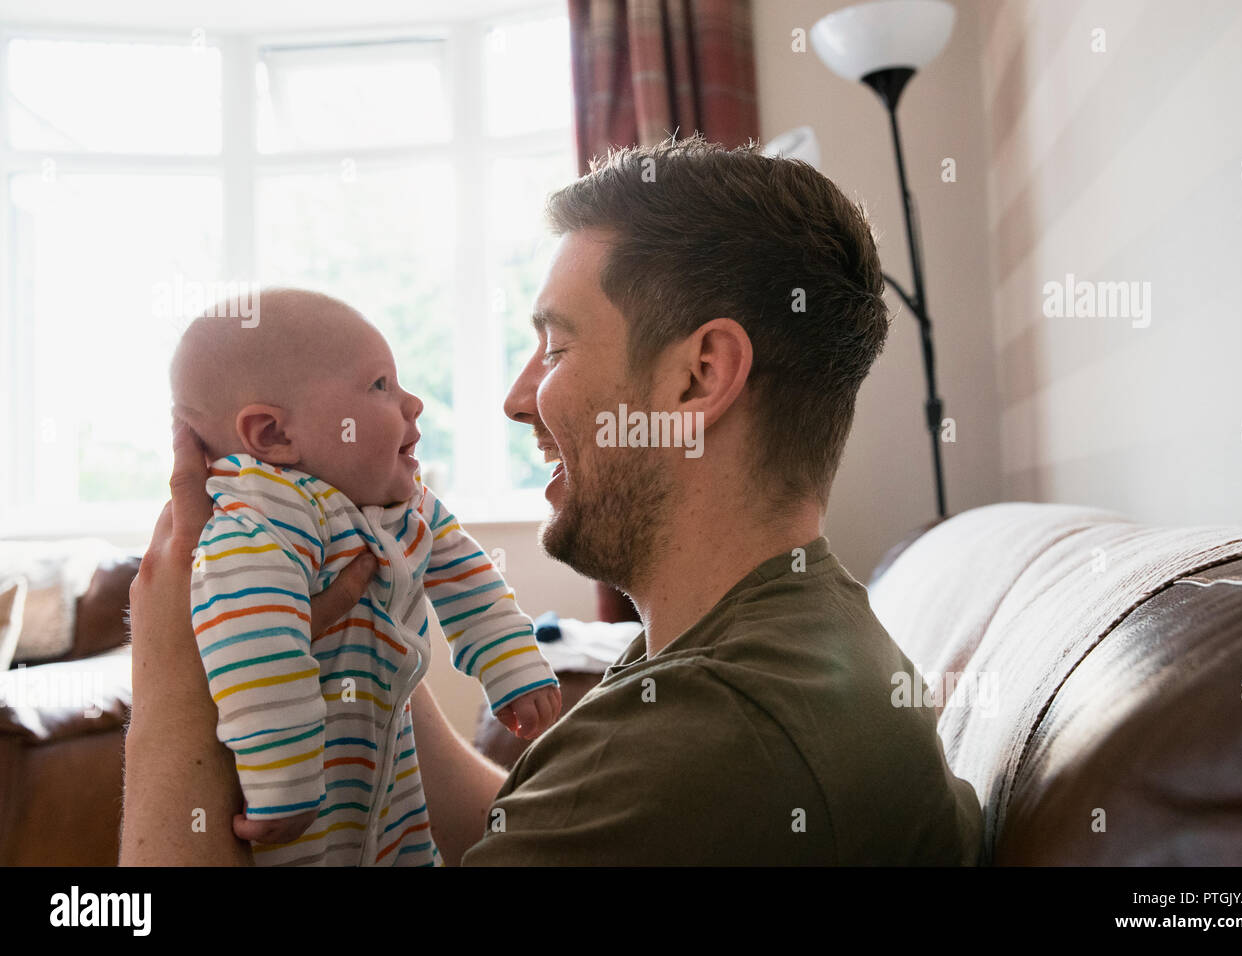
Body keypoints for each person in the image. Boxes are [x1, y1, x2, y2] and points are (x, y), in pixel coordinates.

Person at [124, 134, 984, 865]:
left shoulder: (715, 737)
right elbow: (529, 825)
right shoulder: (774, 634)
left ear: (700, 378)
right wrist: (368, 611)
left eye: (556, 347)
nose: (516, 396)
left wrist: (168, 672)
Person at [166, 290, 560, 864]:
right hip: (306, 819)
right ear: (274, 435)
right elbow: (256, 646)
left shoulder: (405, 509)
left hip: (395, 799)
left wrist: (514, 667)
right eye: (381, 386)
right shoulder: (260, 523)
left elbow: (470, 579)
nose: (414, 402)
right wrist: (284, 782)